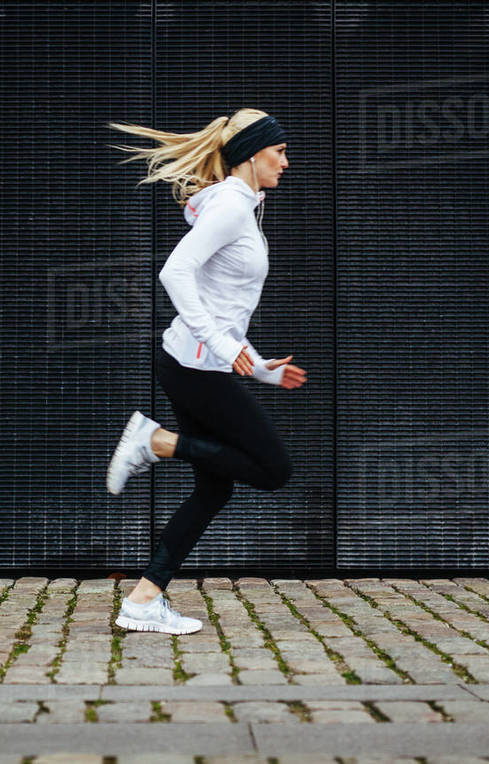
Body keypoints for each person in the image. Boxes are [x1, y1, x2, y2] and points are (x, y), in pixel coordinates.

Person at [102, 108, 307, 635]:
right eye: (279, 151)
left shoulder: (242, 206)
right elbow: (176, 272)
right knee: (273, 469)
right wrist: (219, 343)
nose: (286, 161)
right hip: (195, 368)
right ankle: (156, 442)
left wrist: (259, 368)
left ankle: (144, 602)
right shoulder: (233, 207)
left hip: (191, 364)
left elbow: (222, 304)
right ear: (253, 153)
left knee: (214, 490)